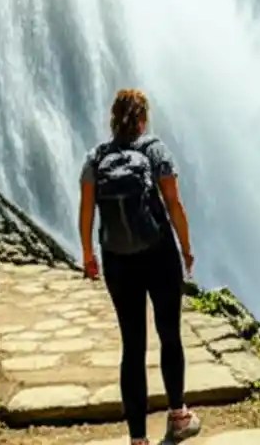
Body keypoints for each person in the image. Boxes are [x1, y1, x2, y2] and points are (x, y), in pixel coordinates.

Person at [79, 88, 203, 445]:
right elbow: (174, 204)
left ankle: (137, 439)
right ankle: (178, 417)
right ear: (144, 119)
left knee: (132, 347)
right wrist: (186, 247)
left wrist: (88, 254)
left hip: (117, 260)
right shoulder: (155, 151)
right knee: (169, 335)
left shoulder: (96, 158)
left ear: (113, 120)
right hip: (159, 254)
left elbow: (86, 210)